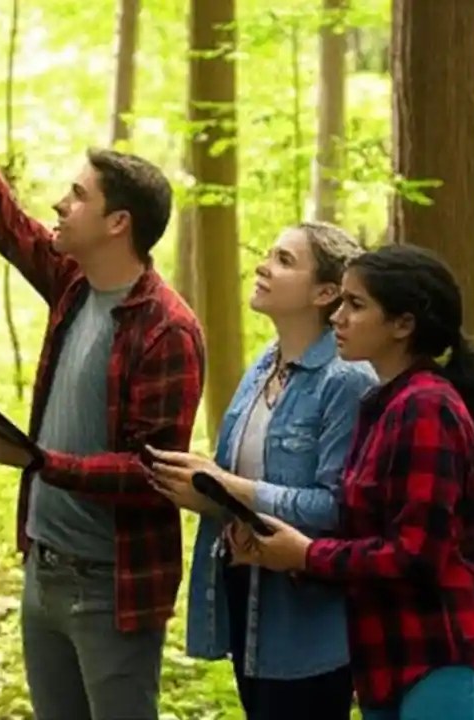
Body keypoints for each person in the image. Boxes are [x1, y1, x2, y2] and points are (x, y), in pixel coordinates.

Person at [0, 35, 205, 720]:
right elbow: (0, 216)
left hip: (111, 585)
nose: (60, 205)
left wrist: (42, 463)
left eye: (77, 195)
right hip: (45, 568)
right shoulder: (72, 280)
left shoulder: (167, 329)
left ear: (118, 222)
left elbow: (151, 470)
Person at [229, 244, 474, 720]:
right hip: (391, 664)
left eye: (356, 304)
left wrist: (306, 553)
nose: (337, 318)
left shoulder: (426, 406)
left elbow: (416, 555)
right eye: (340, 302)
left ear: (403, 324)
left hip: (449, 660)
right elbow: (368, 543)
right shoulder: (385, 405)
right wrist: (282, 551)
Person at [147, 221, 376, 720]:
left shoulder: (347, 381)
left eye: (285, 261)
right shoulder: (263, 364)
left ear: (325, 292)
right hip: (246, 602)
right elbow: (242, 488)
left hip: (308, 621)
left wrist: (231, 486)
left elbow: (338, 507)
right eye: (270, 255)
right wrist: (202, 488)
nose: (263, 266)